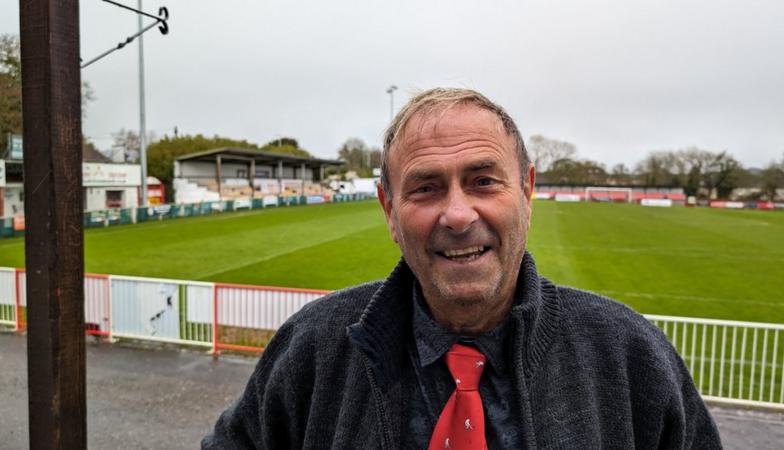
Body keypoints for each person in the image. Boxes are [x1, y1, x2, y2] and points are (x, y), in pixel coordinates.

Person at [202, 88, 722, 449]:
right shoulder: (312, 350)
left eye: (483, 182)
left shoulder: (630, 356)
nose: (457, 214)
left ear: (527, 192)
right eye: (426, 187)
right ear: (389, 210)